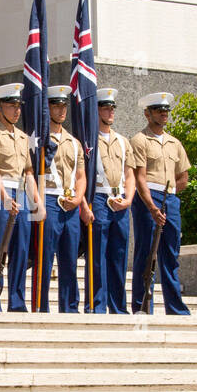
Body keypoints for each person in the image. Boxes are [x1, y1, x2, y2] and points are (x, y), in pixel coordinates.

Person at [0, 82, 40, 311]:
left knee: (21, 251)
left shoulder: (23, 137)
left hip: (21, 194)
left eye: (18, 106)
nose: (17, 110)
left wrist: (37, 203)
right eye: (11, 105)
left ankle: (17, 303)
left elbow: (29, 172)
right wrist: (4, 197)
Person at [130, 92, 191, 315]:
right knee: (146, 253)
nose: (163, 114)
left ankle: (175, 308)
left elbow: (183, 177)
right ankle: (142, 306)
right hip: (148, 198)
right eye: (158, 110)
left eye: (166, 111)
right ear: (147, 114)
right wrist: (152, 207)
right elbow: (140, 179)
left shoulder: (175, 143)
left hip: (170, 198)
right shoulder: (140, 140)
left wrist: (168, 195)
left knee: (170, 254)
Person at [38, 85, 88, 313]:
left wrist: (78, 200)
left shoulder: (74, 142)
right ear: (47, 108)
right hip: (49, 199)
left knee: (69, 260)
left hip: (71, 204)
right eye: (56, 106)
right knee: (45, 258)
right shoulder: (40, 139)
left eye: (63, 105)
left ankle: (69, 307)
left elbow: (81, 176)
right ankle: (41, 306)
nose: (61, 110)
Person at [86, 88, 135, 313]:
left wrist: (128, 200)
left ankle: (118, 306)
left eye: (112, 107)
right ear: (96, 110)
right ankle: (96, 305)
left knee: (119, 255)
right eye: (105, 107)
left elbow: (130, 174)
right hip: (99, 196)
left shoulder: (123, 141)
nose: (110, 111)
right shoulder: (88, 139)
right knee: (97, 254)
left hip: (120, 199)